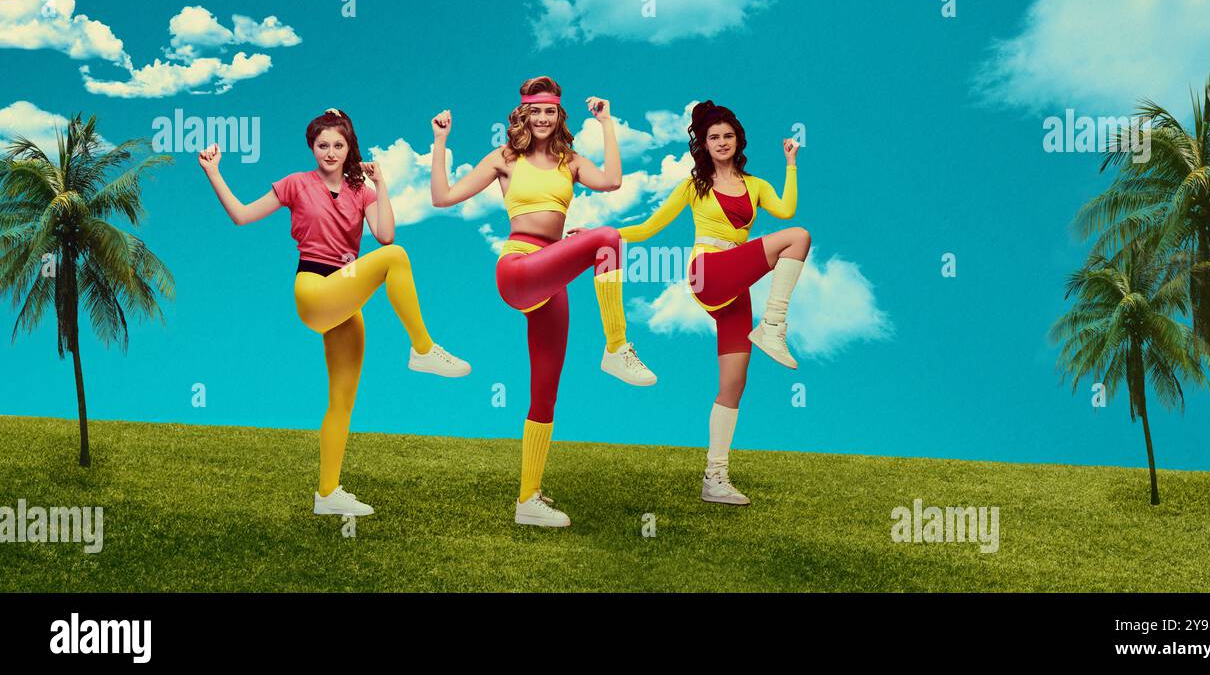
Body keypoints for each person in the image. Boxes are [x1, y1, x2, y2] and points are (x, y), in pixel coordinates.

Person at [198, 108, 469, 517]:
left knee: (341, 401)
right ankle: (423, 349)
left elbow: (384, 233)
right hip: (313, 288)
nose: (330, 152)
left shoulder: (361, 189)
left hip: (346, 298)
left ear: (348, 149)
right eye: (322, 145)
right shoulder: (295, 184)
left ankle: (327, 494)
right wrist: (214, 171)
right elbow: (241, 215)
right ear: (312, 147)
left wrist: (382, 184)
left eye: (338, 145)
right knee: (395, 258)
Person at [429, 76, 655, 528]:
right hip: (517, 269)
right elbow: (443, 196)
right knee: (606, 238)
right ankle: (615, 348)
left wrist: (608, 123)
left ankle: (528, 499)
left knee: (545, 393)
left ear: (559, 115)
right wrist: (440, 142)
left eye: (551, 111)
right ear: (523, 115)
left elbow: (611, 181)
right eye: (536, 111)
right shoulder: (504, 159)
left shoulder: (570, 162)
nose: (544, 118)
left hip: (552, 278)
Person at [618, 101, 809, 506]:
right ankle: (773, 326)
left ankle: (715, 478)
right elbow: (649, 226)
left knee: (734, 385)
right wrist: (598, 236)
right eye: (713, 137)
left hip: (735, 286)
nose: (721, 142)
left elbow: (785, 208)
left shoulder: (754, 185)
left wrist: (790, 162)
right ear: (703, 144)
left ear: (738, 140)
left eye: (727, 136)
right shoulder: (695, 186)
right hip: (708, 270)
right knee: (798, 237)